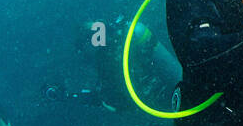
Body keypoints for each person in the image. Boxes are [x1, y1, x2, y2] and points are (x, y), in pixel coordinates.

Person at [44, 15, 180, 111]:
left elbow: (114, 102)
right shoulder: (117, 36)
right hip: (170, 78)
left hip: (163, 96)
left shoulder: (107, 59)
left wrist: (73, 97)